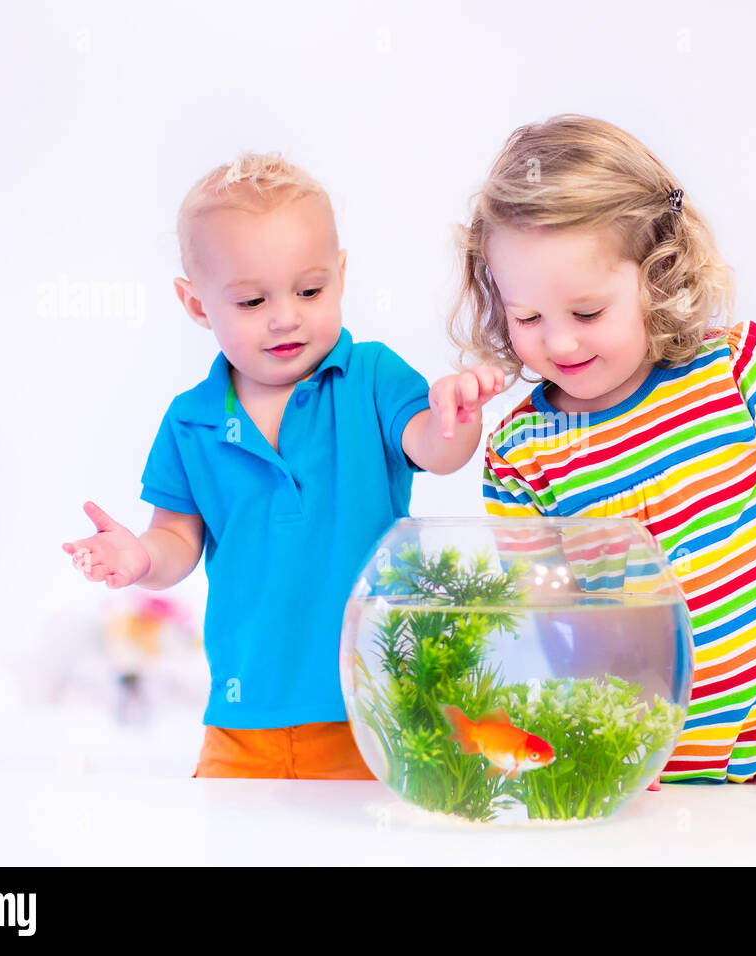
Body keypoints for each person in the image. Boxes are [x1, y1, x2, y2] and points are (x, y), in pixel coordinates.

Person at [451, 115, 756, 784]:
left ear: (655, 275)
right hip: (655, 752)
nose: (559, 343)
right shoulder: (521, 454)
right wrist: (598, 722)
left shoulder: (738, 367)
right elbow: (550, 615)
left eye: (588, 313)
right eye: (528, 317)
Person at [63, 152, 503, 778]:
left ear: (342, 274)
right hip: (241, 722)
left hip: (370, 712)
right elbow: (176, 540)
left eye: (310, 290)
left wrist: (455, 420)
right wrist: (139, 559)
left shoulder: (372, 378)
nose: (285, 316)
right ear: (196, 304)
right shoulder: (191, 421)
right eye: (251, 301)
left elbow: (433, 448)